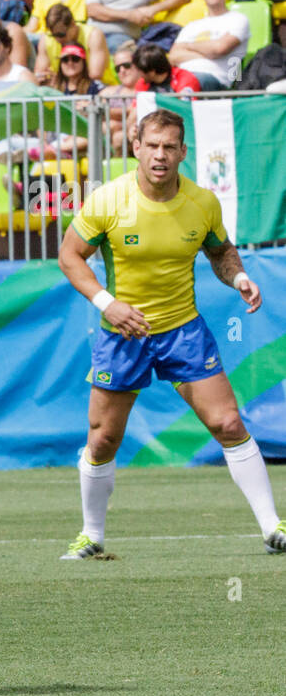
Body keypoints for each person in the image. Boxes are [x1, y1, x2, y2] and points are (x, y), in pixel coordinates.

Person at [57, 108, 286, 559]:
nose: (160, 155)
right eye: (152, 145)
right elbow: (70, 256)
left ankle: (272, 527)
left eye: (170, 147)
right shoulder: (107, 200)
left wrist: (238, 278)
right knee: (102, 439)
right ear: (136, 147)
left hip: (183, 331)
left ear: (183, 151)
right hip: (122, 335)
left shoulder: (202, 203)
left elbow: (222, 252)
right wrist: (109, 304)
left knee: (228, 422)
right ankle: (92, 535)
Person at [168, 0, 250, 92]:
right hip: (182, 77)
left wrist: (187, 46)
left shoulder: (238, 19)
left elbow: (220, 48)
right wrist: (209, 53)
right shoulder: (192, 26)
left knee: (188, 84)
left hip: (217, 80)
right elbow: (173, 57)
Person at [35, 3, 114, 86]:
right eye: (54, 35)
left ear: (73, 24)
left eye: (61, 35)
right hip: (63, 89)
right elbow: (40, 76)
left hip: (97, 89)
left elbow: (96, 75)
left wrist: (58, 78)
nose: (57, 39)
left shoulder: (93, 35)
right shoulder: (46, 39)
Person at [132, 41, 201, 93]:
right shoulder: (143, 83)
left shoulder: (184, 78)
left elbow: (184, 109)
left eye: (138, 70)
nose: (138, 74)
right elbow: (135, 109)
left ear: (152, 72)